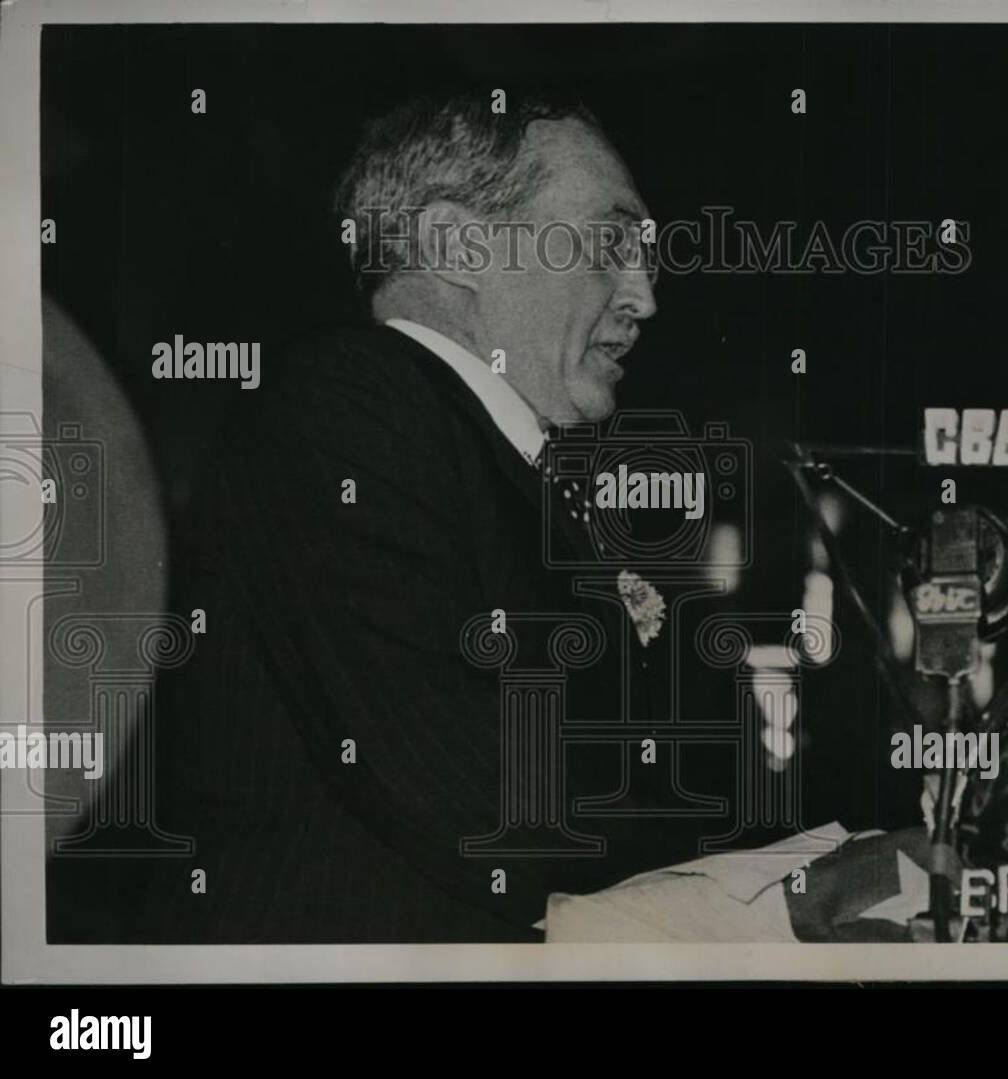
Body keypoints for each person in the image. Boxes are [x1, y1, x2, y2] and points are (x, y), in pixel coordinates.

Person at [125, 94, 709, 943]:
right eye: (611, 242)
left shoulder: (482, 452)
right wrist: (771, 880)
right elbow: (476, 791)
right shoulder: (349, 405)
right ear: (458, 245)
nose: (644, 297)